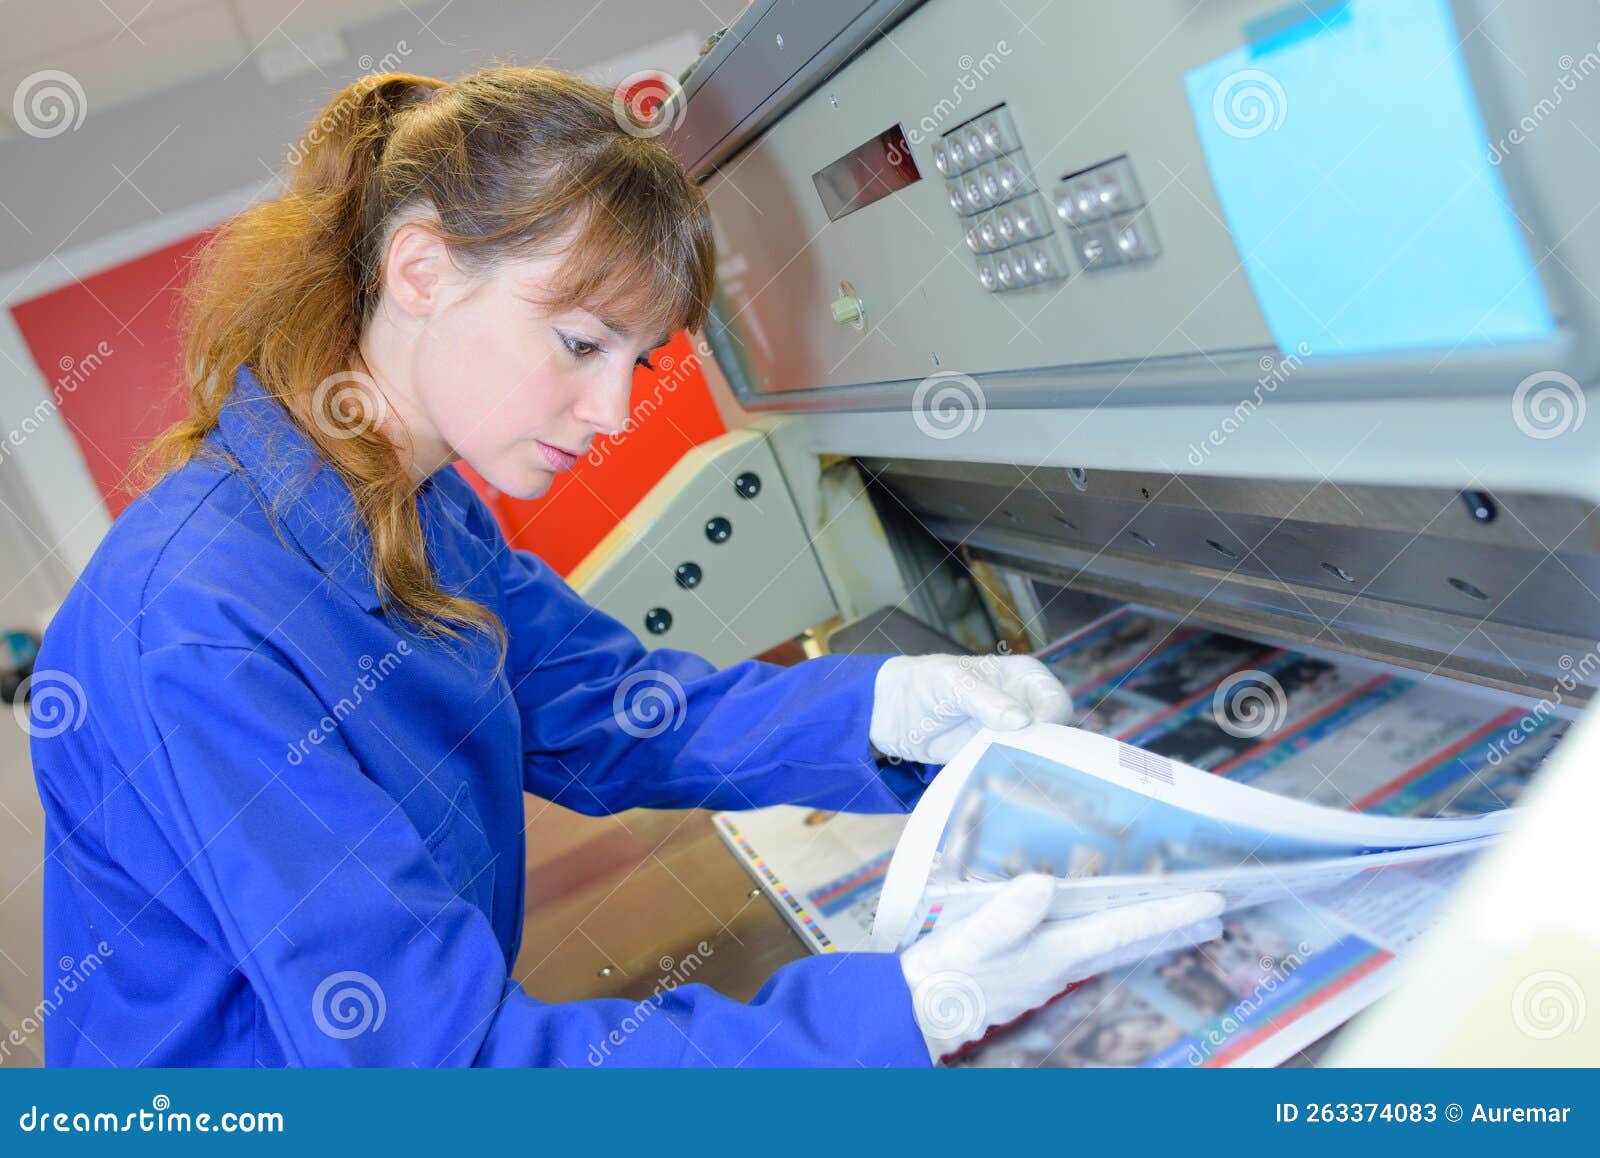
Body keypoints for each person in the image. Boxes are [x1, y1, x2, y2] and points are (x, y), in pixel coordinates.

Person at [29, 66, 1216, 1067]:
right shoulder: (191, 630)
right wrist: (889, 1013)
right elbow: (435, 1068)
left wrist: (887, 712)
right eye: (580, 343)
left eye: (636, 363)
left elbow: (609, 711)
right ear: (424, 269)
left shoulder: (419, 512)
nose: (610, 410)